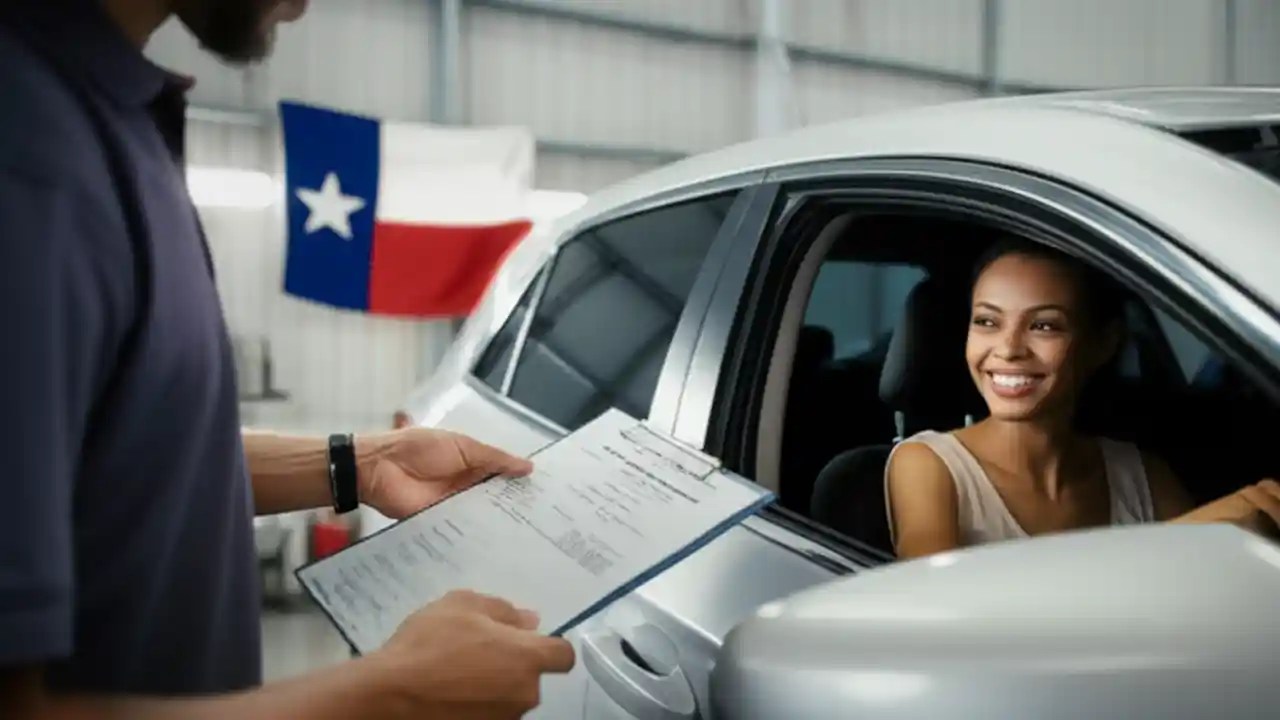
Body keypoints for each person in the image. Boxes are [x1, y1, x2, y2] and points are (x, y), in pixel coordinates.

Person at [0, 0, 573, 717]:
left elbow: (122, 453)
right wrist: (389, 693)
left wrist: (361, 463)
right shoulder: (28, 155)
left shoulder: (96, 116)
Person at [885, 238, 1280, 560]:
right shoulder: (929, 465)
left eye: (1044, 325)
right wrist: (1188, 536)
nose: (1008, 349)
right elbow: (933, 599)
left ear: (1103, 343)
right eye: (987, 321)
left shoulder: (1142, 475)